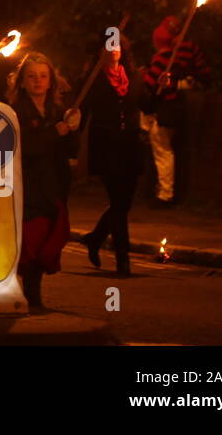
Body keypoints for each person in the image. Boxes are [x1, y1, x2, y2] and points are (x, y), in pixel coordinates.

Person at [6, 51, 79, 309]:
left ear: (51, 80)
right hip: (28, 184)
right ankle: (30, 297)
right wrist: (54, 132)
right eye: (32, 76)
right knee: (31, 242)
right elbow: (24, 146)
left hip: (53, 185)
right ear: (22, 81)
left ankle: (31, 295)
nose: (38, 81)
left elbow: (70, 150)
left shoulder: (58, 110)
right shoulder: (14, 112)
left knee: (49, 238)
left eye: (43, 76)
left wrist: (72, 129)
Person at [80, 39, 141, 277]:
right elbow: (81, 112)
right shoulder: (92, 80)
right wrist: (70, 147)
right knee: (118, 201)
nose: (114, 48)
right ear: (100, 51)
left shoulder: (135, 77)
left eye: (117, 45)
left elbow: (148, 104)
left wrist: (163, 87)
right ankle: (122, 258)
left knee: (123, 203)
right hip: (107, 147)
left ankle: (95, 238)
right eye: (108, 44)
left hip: (130, 147)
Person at [140, 14, 210, 207]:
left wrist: (150, 78)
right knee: (161, 150)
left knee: (163, 152)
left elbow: (151, 84)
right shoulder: (169, 56)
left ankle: (165, 194)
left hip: (167, 109)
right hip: (168, 108)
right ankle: (159, 190)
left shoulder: (167, 57)